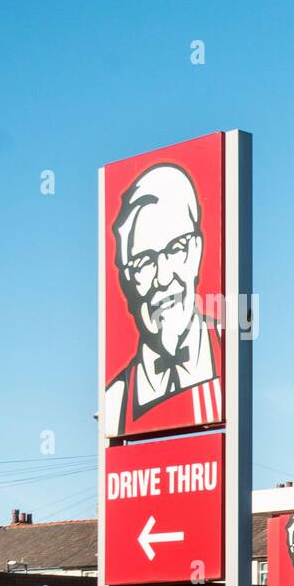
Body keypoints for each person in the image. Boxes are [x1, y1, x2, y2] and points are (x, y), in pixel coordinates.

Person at [106, 163, 222, 435]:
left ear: (196, 252)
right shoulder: (115, 403)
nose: (163, 276)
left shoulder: (229, 358)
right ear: (127, 279)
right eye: (143, 261)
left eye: (174, 249)